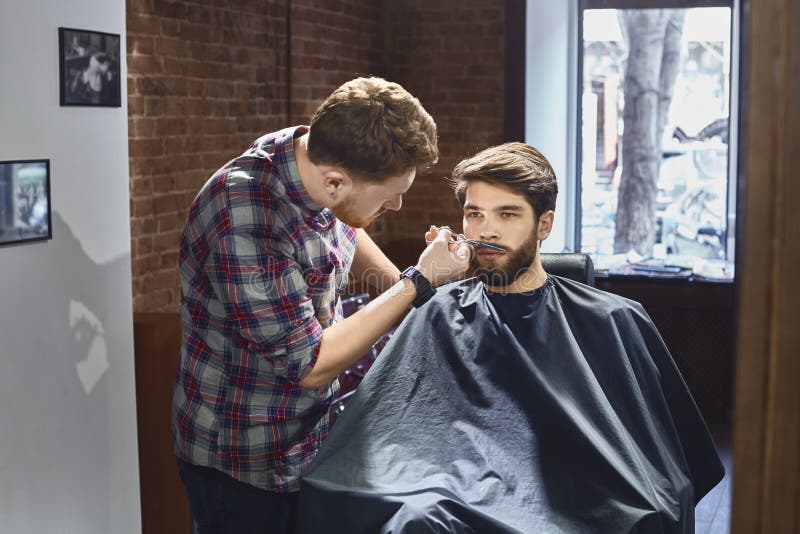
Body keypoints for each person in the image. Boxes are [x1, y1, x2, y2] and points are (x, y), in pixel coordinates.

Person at [297, 142, 725, 533]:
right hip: (446, 494)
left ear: (544, 225)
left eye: (507, 214)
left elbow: (661, 470)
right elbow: (389, 439)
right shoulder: (439, 313)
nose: (486, 231)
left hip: (573, 496)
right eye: (475, 214)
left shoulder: (612, 318)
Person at [171, 77, 470, 534]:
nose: (397, 204)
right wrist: (419, 282)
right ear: (335, 181)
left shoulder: (316, 154)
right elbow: (309, 364)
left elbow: (349, 222)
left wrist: (404, 291)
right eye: (389, 194)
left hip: (313, 442)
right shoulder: (247, 217)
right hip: (245, 460)